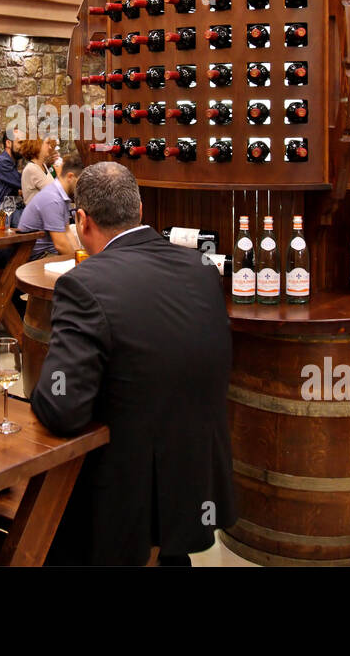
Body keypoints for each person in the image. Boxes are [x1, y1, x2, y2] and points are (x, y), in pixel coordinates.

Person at [31, 163, 235, 565]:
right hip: (193, 475)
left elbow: (62, 409)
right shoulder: (201, 269)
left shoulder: (83, 283)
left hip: (123, 494)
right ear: (139, 209)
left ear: (82, 221)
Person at [18, 151, 82, 259]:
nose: (80, 186)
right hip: (38, 257)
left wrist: (80, 256)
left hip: (49, 253)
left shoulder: (61, 195)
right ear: (70, 177)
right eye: (79, 181)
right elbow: (60, 245)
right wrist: (79, 264)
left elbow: (67, 232)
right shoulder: (53, 198)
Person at [0, 129, 23, 206]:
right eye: (20, 142)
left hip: (7, 207)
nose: (24, 147)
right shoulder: (2, 162)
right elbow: (24, 183)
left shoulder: (11, 161)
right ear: (8, 143)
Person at [18, 137, 54, 206]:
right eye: (47, 143)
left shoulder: (43, 165)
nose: (50, 147)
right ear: (38, 145)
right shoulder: (32, 169)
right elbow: (53, 192)